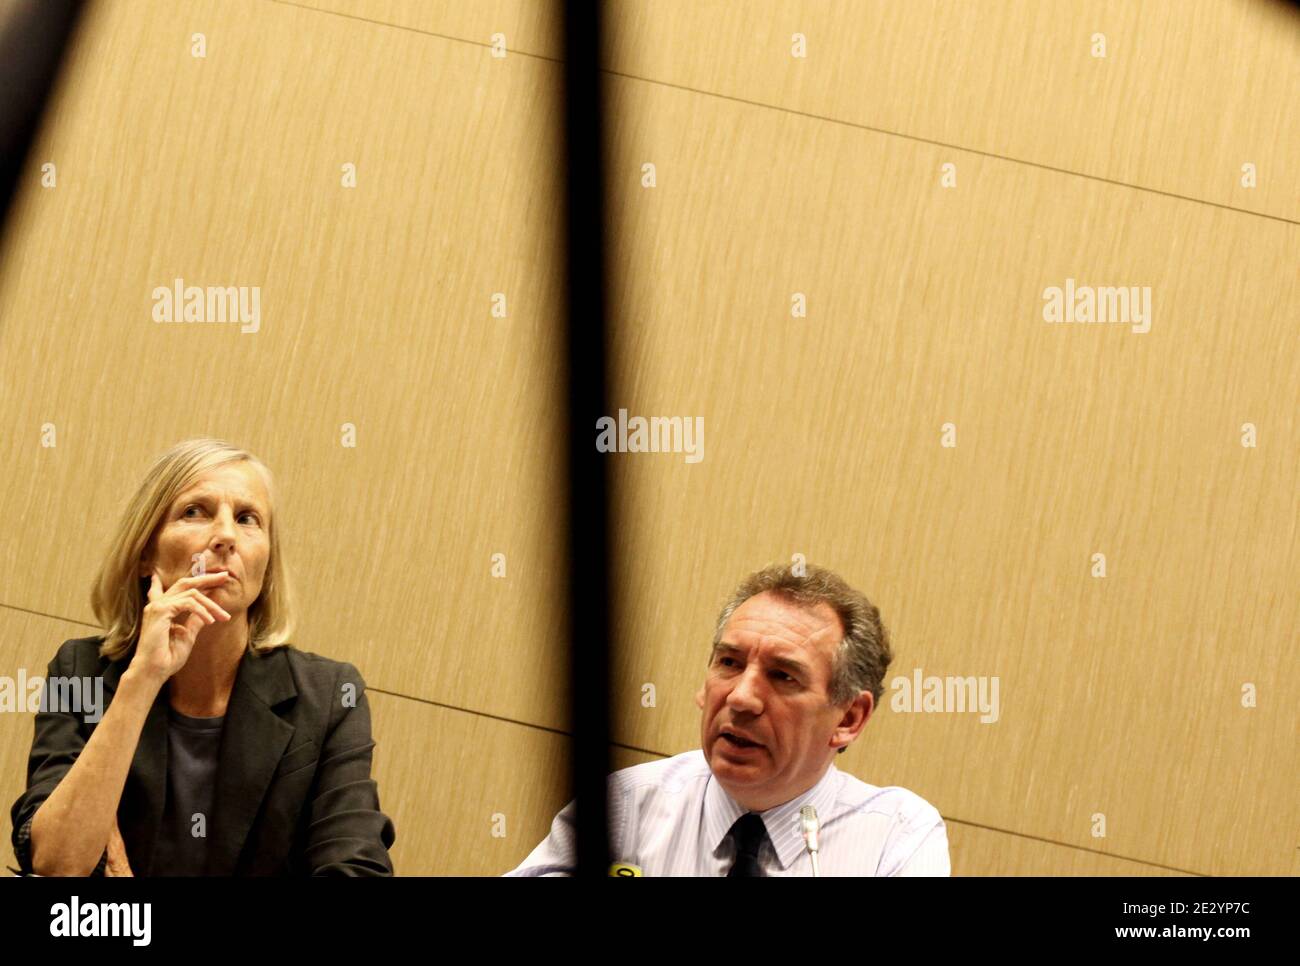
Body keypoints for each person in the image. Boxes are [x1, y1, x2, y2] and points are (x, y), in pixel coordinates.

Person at [9, 438, 395, 876]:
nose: (226, 536)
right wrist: (142, 679)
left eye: (248, 519)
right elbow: (56, 863)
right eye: (195, 511)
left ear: (266, 563)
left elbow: (354, 869)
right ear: (144, 553)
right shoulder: (78, 672)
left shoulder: (329, 697)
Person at [509, 564, 949, 876]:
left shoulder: (897, 835)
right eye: (729, 663)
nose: (740, 698)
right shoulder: (627, 805)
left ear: (850, 717)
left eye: (782, 676)